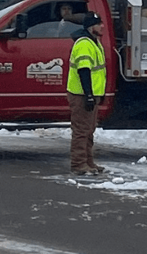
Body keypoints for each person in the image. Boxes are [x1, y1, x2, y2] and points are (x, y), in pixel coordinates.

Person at [67, 12, 107, 175]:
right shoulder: (84, 44)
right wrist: (89, 94)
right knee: (82, 130)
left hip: (90, 94)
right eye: (99, 24)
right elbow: (84, 71)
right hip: (81, 94)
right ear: (91, 27)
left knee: (89, 130)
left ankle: (88, 162)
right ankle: (78, 164)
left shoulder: (94, 42)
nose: (102, 26)